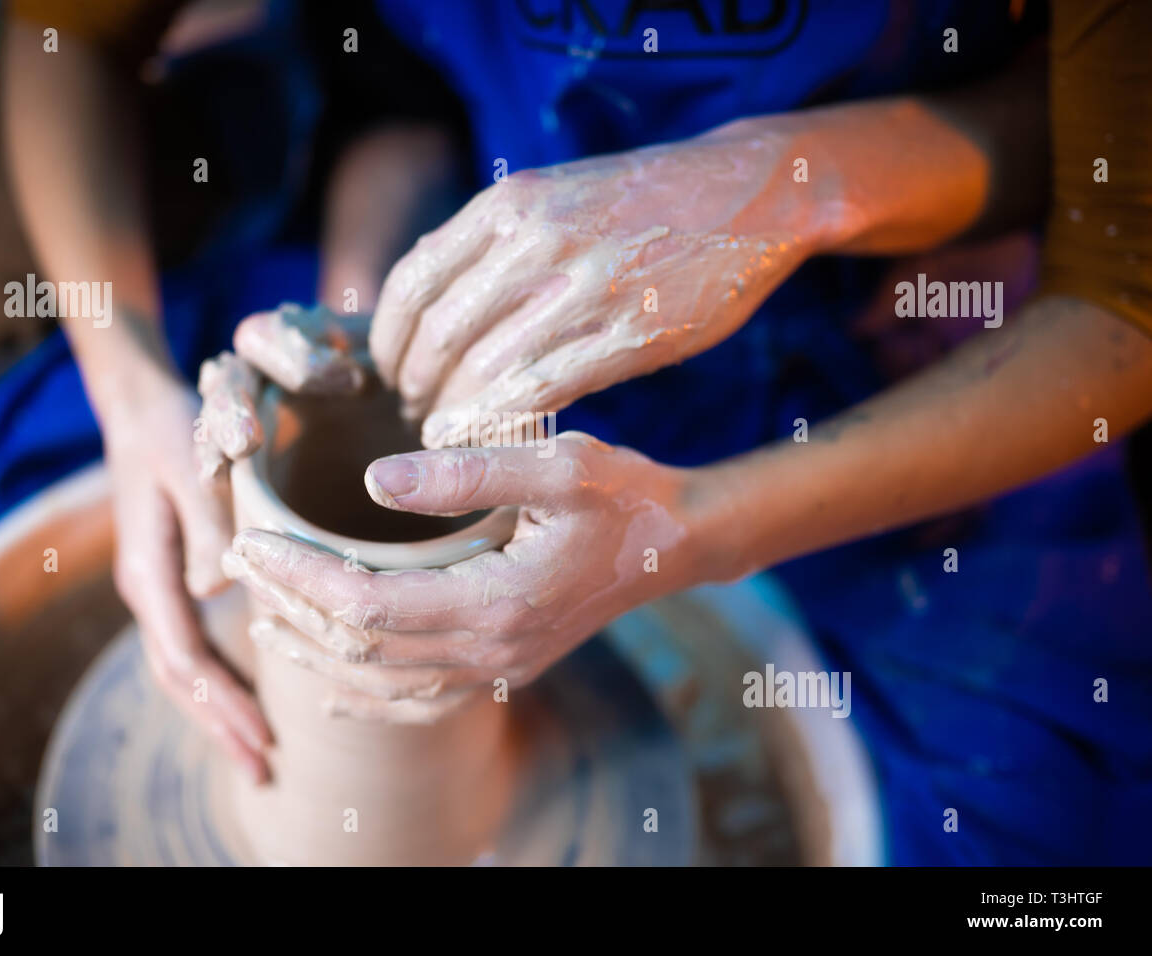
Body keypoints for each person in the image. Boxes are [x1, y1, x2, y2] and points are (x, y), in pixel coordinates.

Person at [199, 0, 1152, 864]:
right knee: (136, 442)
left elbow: (1124, 290)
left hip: (881, 342)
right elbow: (389, 97)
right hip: (511, 312)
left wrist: (784, 187)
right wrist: (366, 342)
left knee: (1028, 804)